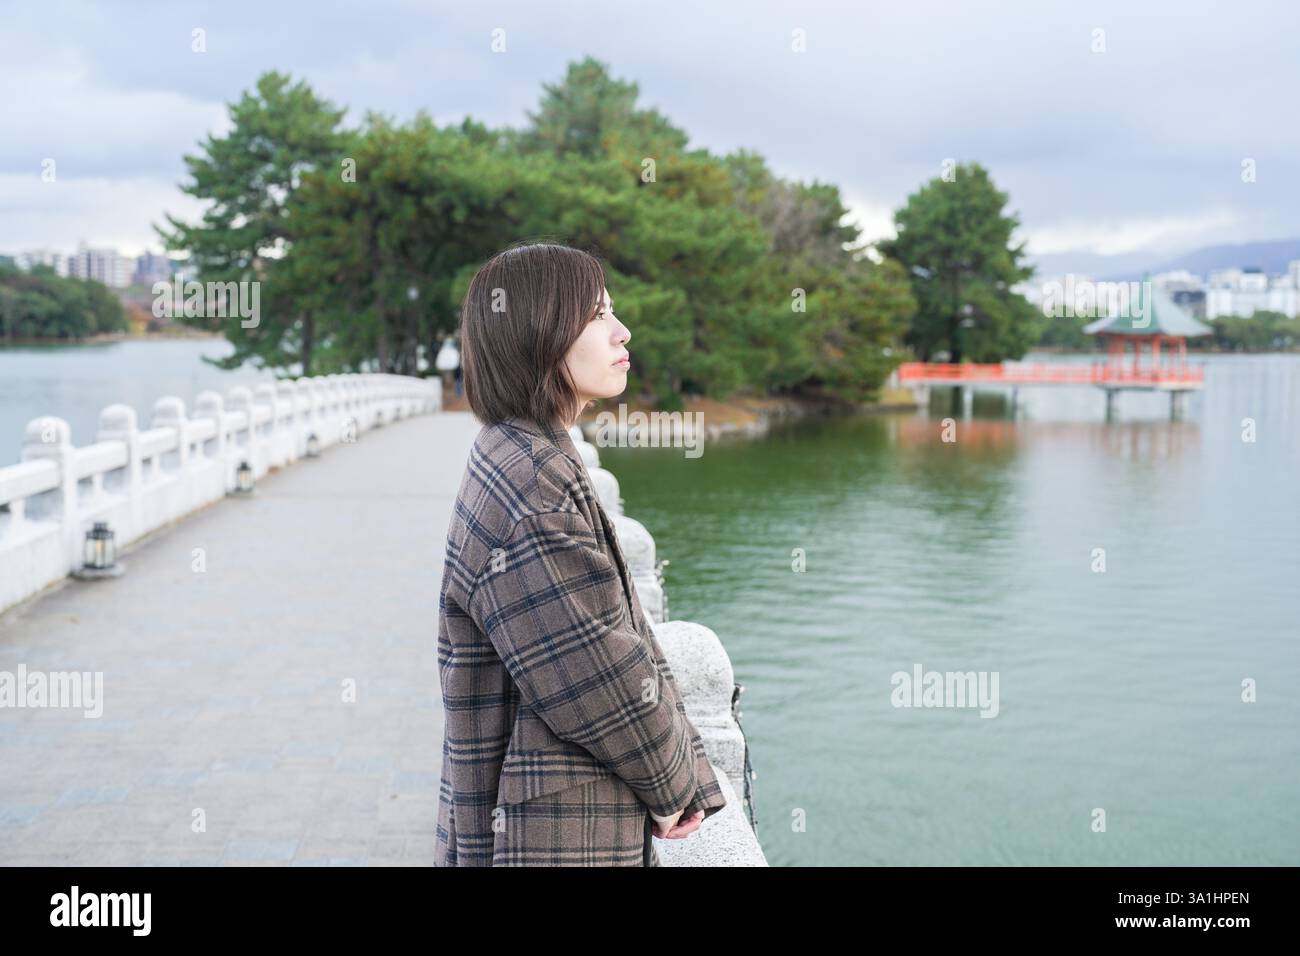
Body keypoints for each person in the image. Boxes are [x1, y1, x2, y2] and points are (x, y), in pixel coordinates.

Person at [434, 241, 726, 866]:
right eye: (597, 316)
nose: (623, 332)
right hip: (553, 829)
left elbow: (622, 630)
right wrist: (676, 788)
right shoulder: (533, 479)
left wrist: (690, 772)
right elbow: (592, 669)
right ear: (537, 331)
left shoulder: (524, 449)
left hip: (539, 807)